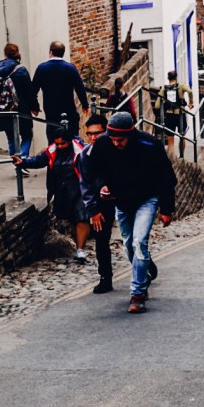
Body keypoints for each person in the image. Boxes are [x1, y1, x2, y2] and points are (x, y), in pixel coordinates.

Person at [84, 112, 176, 314]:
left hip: (147, 199)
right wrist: (102, 186)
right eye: (113, 139)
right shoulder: (102, 144)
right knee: (128, 245)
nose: (116, 143)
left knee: (139, 241)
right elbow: (92, 171)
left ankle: (137, 293)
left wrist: (167, 209)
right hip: (121, 201)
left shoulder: (149, 145)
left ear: (131, 133)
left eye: (121, 139)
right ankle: (144, 275)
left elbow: (167, 176)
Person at [12, 126, 93, 262]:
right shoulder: (51, 151)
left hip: (80, 188)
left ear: (69, 141)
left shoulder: (81, 150)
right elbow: (39, 160)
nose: (60, 146)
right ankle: (79, 246)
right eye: (58, 144)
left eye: (63, 143)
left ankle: (80, 250)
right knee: (73, 219)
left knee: (81, 217)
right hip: (62, 190)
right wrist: (23, 162)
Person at [78, 114, 118, 293]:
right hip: (101, 203)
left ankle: (146, 266)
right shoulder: (85, 155)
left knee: (134, 237)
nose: (93, 138)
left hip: (124, 197)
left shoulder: (118, 148)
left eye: (98, 133)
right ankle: (105, 278)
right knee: (101, 239)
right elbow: (85, 184)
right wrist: (93, 210)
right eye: (90, 134)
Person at [0, 43, 36, 174]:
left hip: (3, 111)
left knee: (10, 138)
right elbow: (29, 92)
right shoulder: (20, 70)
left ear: (5, 54)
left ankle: (16, 163)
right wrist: (34, 107)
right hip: (21, 110)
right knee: (27, 135)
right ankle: (23, 161)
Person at [31, 41, 90, 143]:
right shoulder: (70, 68)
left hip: (51, 111)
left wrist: (34, 107)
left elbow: (33, 90)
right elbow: (80, 88)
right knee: (72, 139)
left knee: (53, 139)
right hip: (68, 109)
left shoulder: (42, 68)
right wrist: (85, 105)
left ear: (51, 52)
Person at [153, 70, 193, 158]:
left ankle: (172, 160)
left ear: (168, 78)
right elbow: (190, 91)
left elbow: (157, 105)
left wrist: (161, 109)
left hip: (169, 115)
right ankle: (181, 156)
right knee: (182, 136)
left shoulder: (164, 88)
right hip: (180, 114)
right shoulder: (181, 86)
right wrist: (191, 103)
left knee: (170, 139)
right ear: (176, 77)